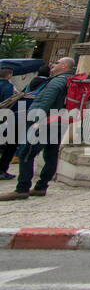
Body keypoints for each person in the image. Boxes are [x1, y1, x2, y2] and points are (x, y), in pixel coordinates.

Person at [0, 56, 75, 200]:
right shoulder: (70, 81)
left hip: (45, 123)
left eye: (57, 62)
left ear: (65, 66)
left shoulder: (57, 82)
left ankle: (22, 189)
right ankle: (41, 187)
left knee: (25, 154)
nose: (53, 65)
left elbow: (43, 102)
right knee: (51, 155)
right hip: (60, 122)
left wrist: (32, 121)